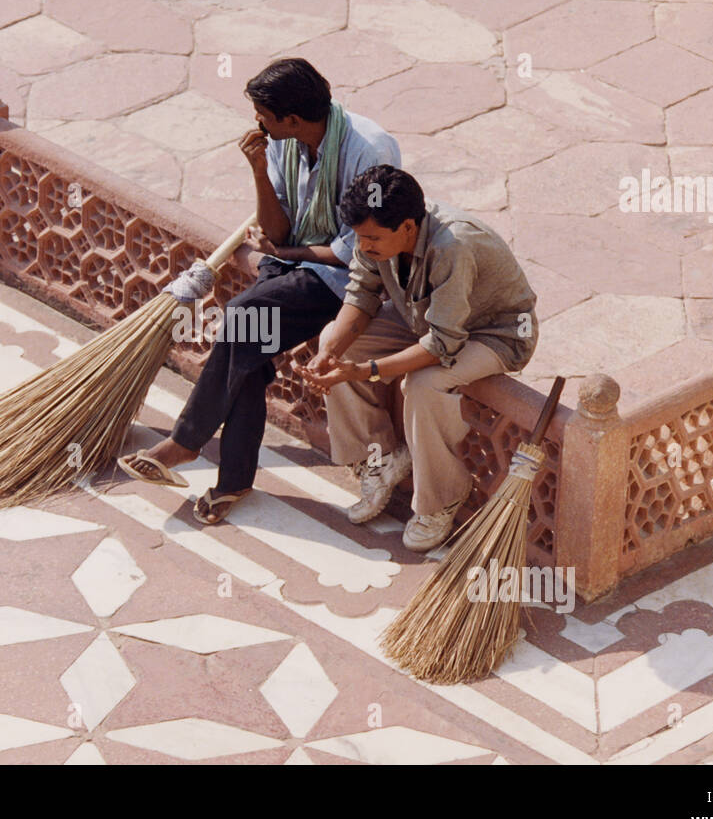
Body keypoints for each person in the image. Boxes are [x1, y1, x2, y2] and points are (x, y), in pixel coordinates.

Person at [118, 58, 400, 524]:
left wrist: (290, 252)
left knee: (243, 318)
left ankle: (185, 442)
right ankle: (233, 482)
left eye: (264, 116)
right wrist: (256, 170)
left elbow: (358, 254)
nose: (257, 124)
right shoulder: (280, 143)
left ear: (292, 118)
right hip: (291, 262)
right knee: (247, 345)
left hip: (344, 280)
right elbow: (274, 227)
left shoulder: (370, 150)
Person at [300, 165, 539, 552]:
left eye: (373, 238)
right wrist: (329, 355)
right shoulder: (377, 238)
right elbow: (361, 295)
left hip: (496, 333)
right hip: (424, 319)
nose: (364, 247)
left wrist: (365, 371)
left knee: (425, 383)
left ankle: (440, 500)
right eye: (360, 238)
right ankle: (378, 460)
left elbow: (443, 343)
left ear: (409, 227)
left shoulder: (453, 246)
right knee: (334, 338)